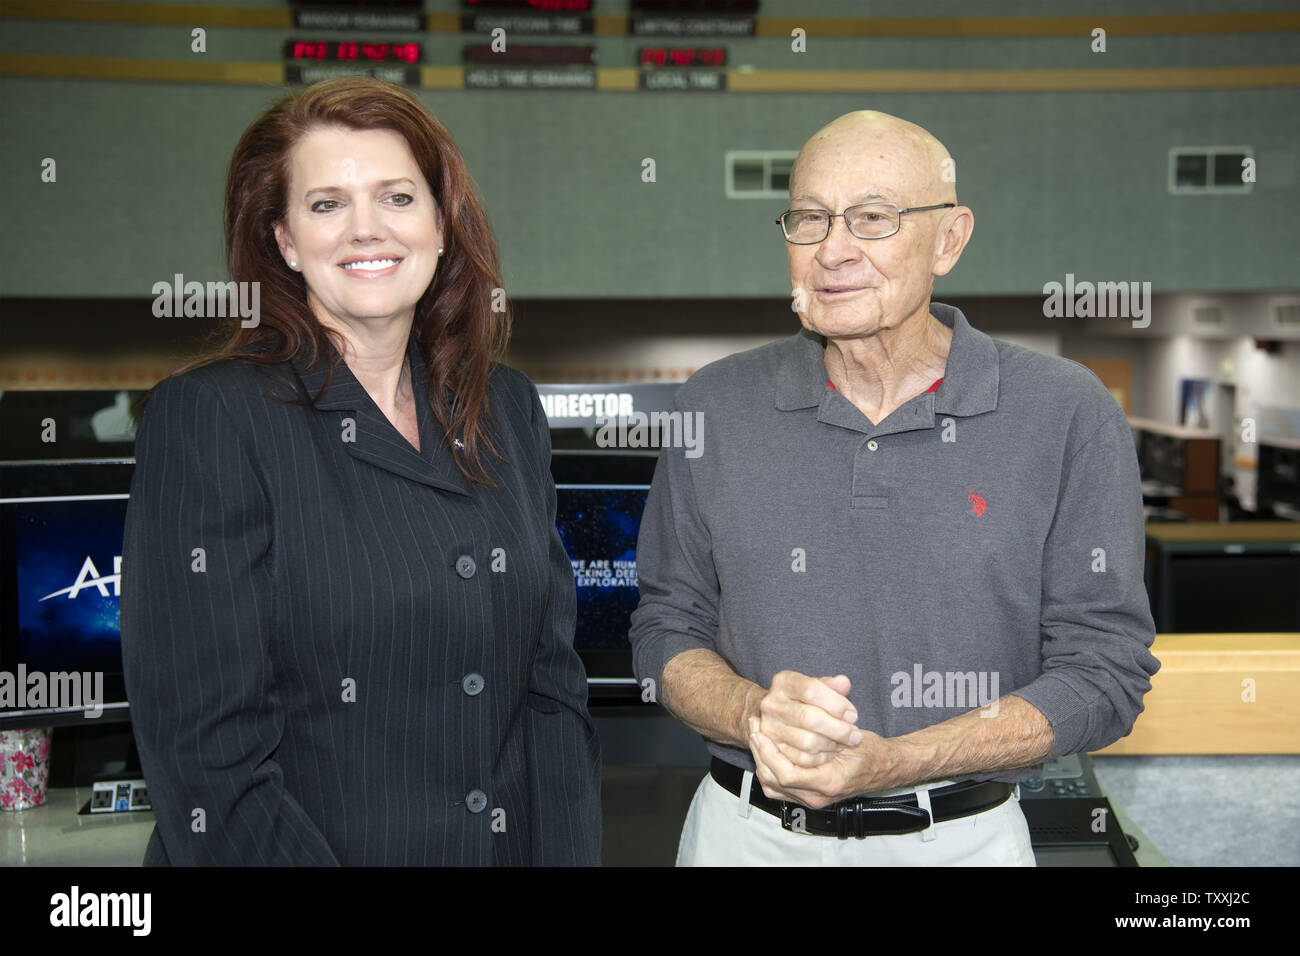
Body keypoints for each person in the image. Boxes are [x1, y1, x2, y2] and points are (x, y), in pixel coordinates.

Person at [629, 110, 1159, 866]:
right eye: (809, 219)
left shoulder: (1066, 411)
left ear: (949, 238)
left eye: (872, 218)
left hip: (963, 843)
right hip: (743, 838)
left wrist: (892, 764)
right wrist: (755, 715)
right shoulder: (714, 405)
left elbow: (1104, 671)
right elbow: (665, 627)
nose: (833, 250)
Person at [120, 77, 601, 866]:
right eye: (326, 205)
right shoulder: (212, 419)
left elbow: (551, 690)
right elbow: (206, 754)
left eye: (397, 198)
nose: (366, 229)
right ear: (282, 241)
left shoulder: (506, 406)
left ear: (442, 224)